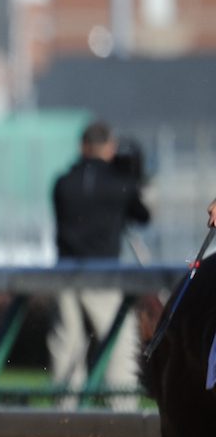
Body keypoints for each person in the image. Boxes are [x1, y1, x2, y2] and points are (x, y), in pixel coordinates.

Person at [48, 120, 151, 411]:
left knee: (67, 348)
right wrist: (134, 179)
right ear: (109, 147)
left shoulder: (62, 183)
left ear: (83, 147)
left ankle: (64, 413)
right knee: (118, 345)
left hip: (65, 273)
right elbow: (143, 216)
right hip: (104, 273)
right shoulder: (119, 183)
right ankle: (124, 408)